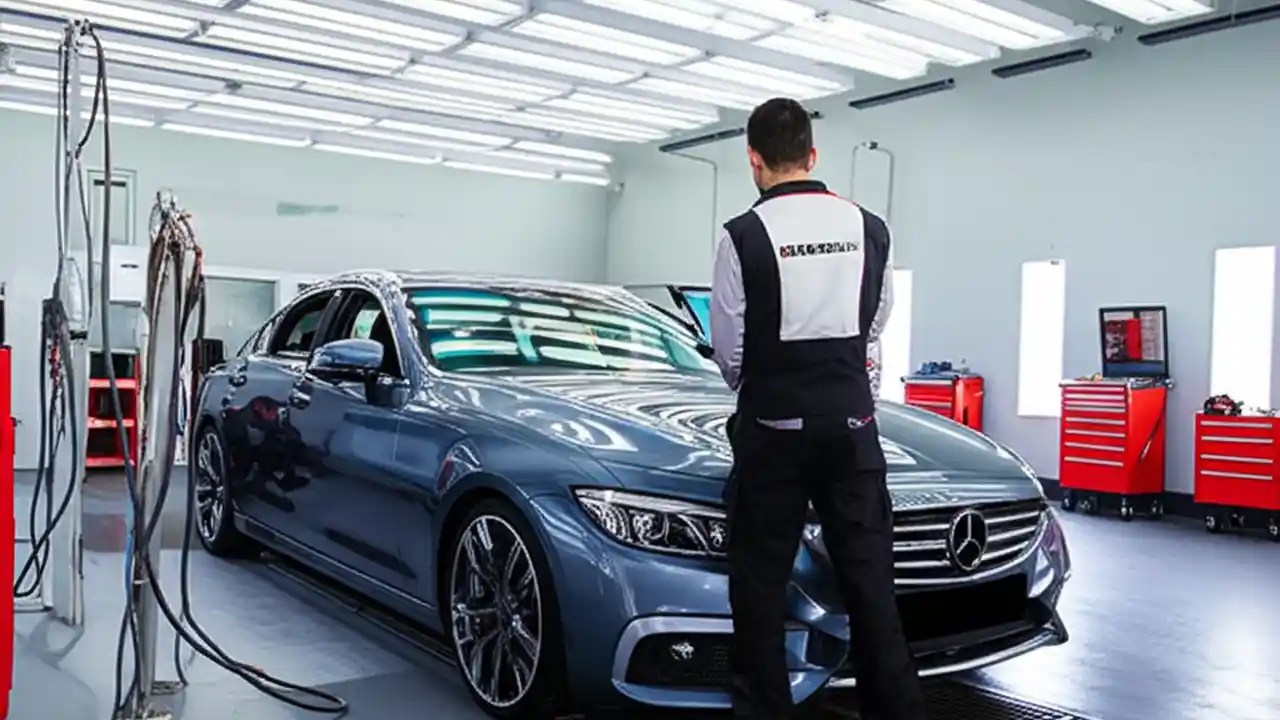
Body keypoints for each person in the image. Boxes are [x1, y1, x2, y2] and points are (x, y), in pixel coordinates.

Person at [709, 97, 926, 720]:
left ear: (754, 159)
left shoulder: (741, 237)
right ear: (813, 154)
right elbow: (875, 321)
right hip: (854, 431)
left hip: (773, 434)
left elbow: (731, 352)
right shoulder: (871, 228)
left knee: (760, 588)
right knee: (871, 589)